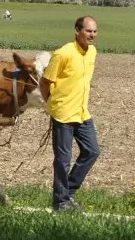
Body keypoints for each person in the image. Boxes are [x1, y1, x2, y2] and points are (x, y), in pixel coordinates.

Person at [39, 15, 101, 212]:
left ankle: (69, 191)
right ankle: (60, 202)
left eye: (94, 31)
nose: (92, 35)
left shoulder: (92, 52)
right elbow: (45, 82)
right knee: (63, 160)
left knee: (92, 151)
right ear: (77, 31)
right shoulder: (63, 54)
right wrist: (51, 103)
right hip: (63, 113)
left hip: (82, 113)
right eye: (88, 31)